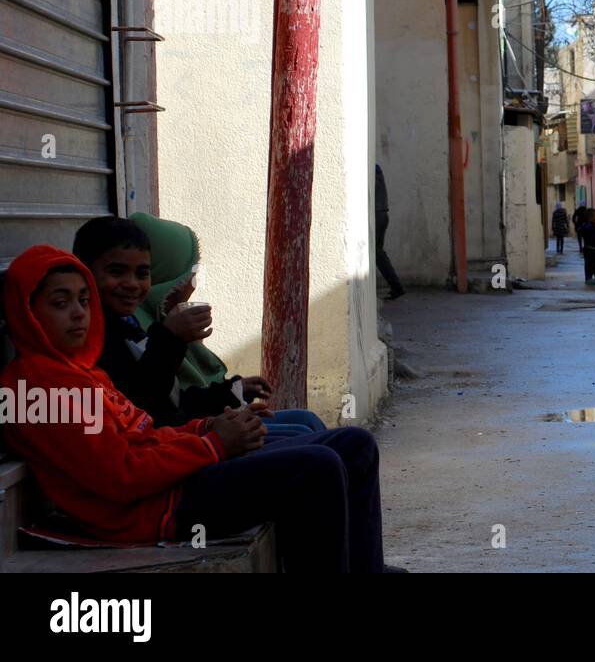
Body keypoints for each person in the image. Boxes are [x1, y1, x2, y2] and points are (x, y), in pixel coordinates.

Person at [1, 245, 395, 571]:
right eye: (60, 303)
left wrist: (207, 426)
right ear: (27, 313)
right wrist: (214, 446)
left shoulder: (79, 371)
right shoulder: (39, 386)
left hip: (174, 479)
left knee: (354, 445)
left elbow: (146, 433)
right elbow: (120, 476)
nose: (78, 313)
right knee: (318, 467)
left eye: (83, 301)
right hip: (154, 509)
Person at [72, 215, 325, 438]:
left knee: (306, 422)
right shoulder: (98, 334)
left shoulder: (131, 322)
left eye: (142, 273)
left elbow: (176, 397)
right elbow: (147, 406)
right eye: (117, 272)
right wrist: (171, 338)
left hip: (196, 433)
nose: (132, 284)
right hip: (179, 447)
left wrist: (234, 390)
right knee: (318, 450)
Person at [375, 164, 405, 300]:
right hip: (381, 214)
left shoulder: (370, 168)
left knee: (377, 253)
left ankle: (396, 286)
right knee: (378, 253)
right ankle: (396, 286)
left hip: (376, 214)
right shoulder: (376, 168)